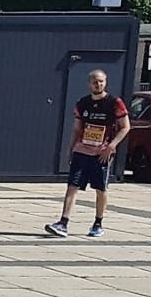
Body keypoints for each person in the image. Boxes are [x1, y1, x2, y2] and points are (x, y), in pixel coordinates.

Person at [46, 69, 128, 239]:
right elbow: (77, 129)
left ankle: (98, 224)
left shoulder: (114, 103)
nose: (98, 84)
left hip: (102, 153)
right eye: (95, 82)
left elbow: (125, 127)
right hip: (82, 151)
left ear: (105, 82)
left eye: (101, 81)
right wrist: (70, 149)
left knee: (100, 189)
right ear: (89, 84)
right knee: (72, 187)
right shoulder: (83, 103)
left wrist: (111, 147)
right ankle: (63, 223)